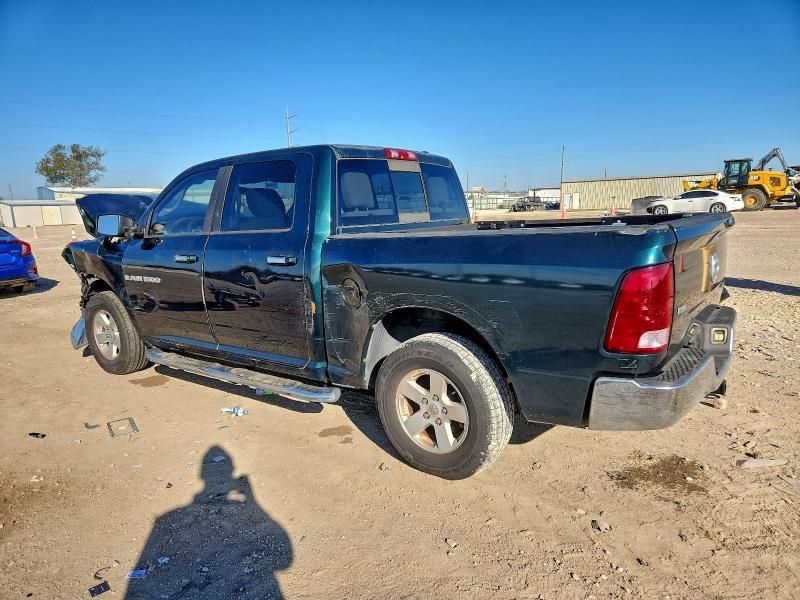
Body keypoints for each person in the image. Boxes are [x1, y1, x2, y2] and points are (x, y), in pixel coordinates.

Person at [126, 446, 292, 599]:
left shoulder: (166, 518)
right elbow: (286, 560)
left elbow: (285, 560)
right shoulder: (168, 519)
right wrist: (252, 500)